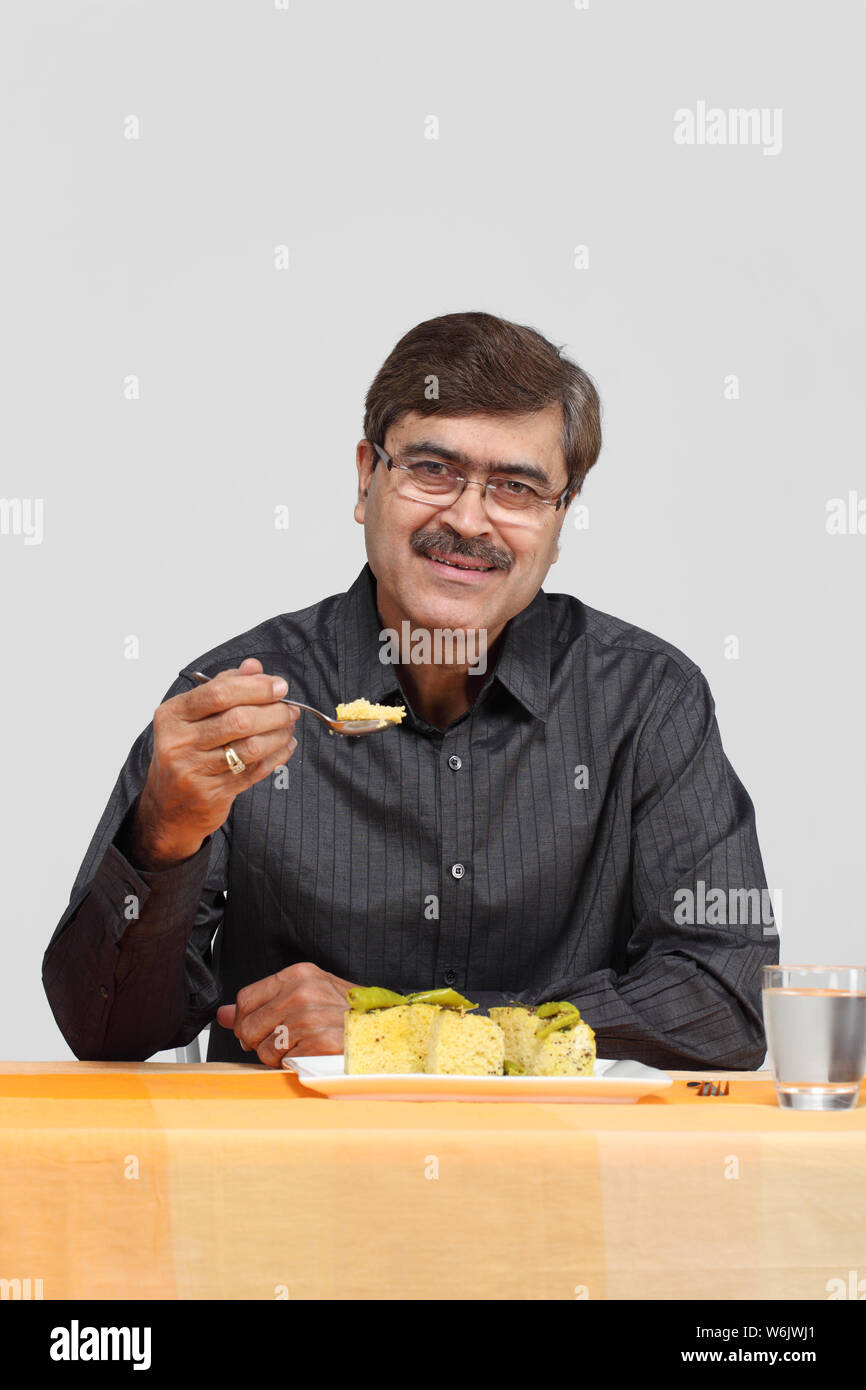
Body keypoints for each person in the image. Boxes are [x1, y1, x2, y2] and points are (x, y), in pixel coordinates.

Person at [43, 310, 778, 1068]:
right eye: (433, 470)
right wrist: (163, 834)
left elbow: (723, 996)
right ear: (366, 477)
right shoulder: (235, 700)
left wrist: (402, 1035)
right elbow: (108, 1036)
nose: (467, 519)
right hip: (285, 1177)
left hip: (553, 1177)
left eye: (517, 488)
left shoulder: (647, 700)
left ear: (560, 523)